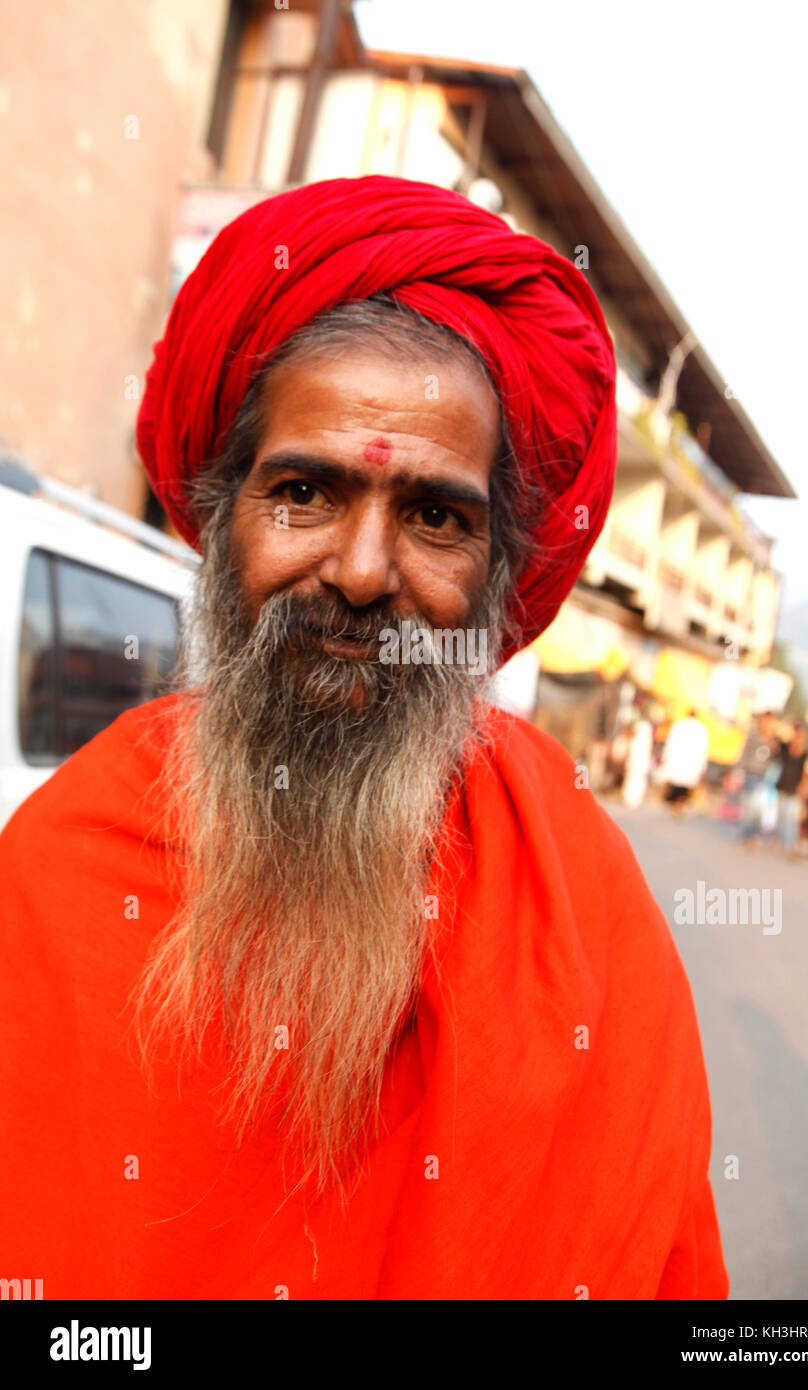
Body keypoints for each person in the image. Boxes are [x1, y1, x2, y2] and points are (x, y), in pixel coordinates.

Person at [0, 176, 727, 1300]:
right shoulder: (64, 863)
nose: (360, 571)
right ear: (221, 512)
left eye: (435, 516)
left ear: (496, 572)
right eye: (304, 492)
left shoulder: (577, 896)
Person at [737, 710, 779, 847]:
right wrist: (738, 771)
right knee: (748, 808)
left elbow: (778, 759)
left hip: (765, 778)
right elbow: (744, 754)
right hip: (750, 774)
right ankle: (746, 835)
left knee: (758, 809)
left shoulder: (774, 741)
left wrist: (773, 744)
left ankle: (754, 836)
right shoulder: (753, 736)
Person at [659, 709, 709, 816]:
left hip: (678, 761)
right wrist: (702, 767)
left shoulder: (678, 725)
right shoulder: (701, 729)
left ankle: (676, 807)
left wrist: (665, 757)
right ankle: (679, 806)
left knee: (678, 785)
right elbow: (703, 750)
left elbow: (670, 743)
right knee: (684, 788)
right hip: (691, 763)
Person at [775, 721, 808, 857]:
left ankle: (790, 845)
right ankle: (779, 840)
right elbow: (777, 736)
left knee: (791, 818)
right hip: (782, 785)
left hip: (795, 790)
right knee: (781, 816)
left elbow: (806, 774)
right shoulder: (785, 748)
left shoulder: (805, 754)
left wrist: (803, 788)